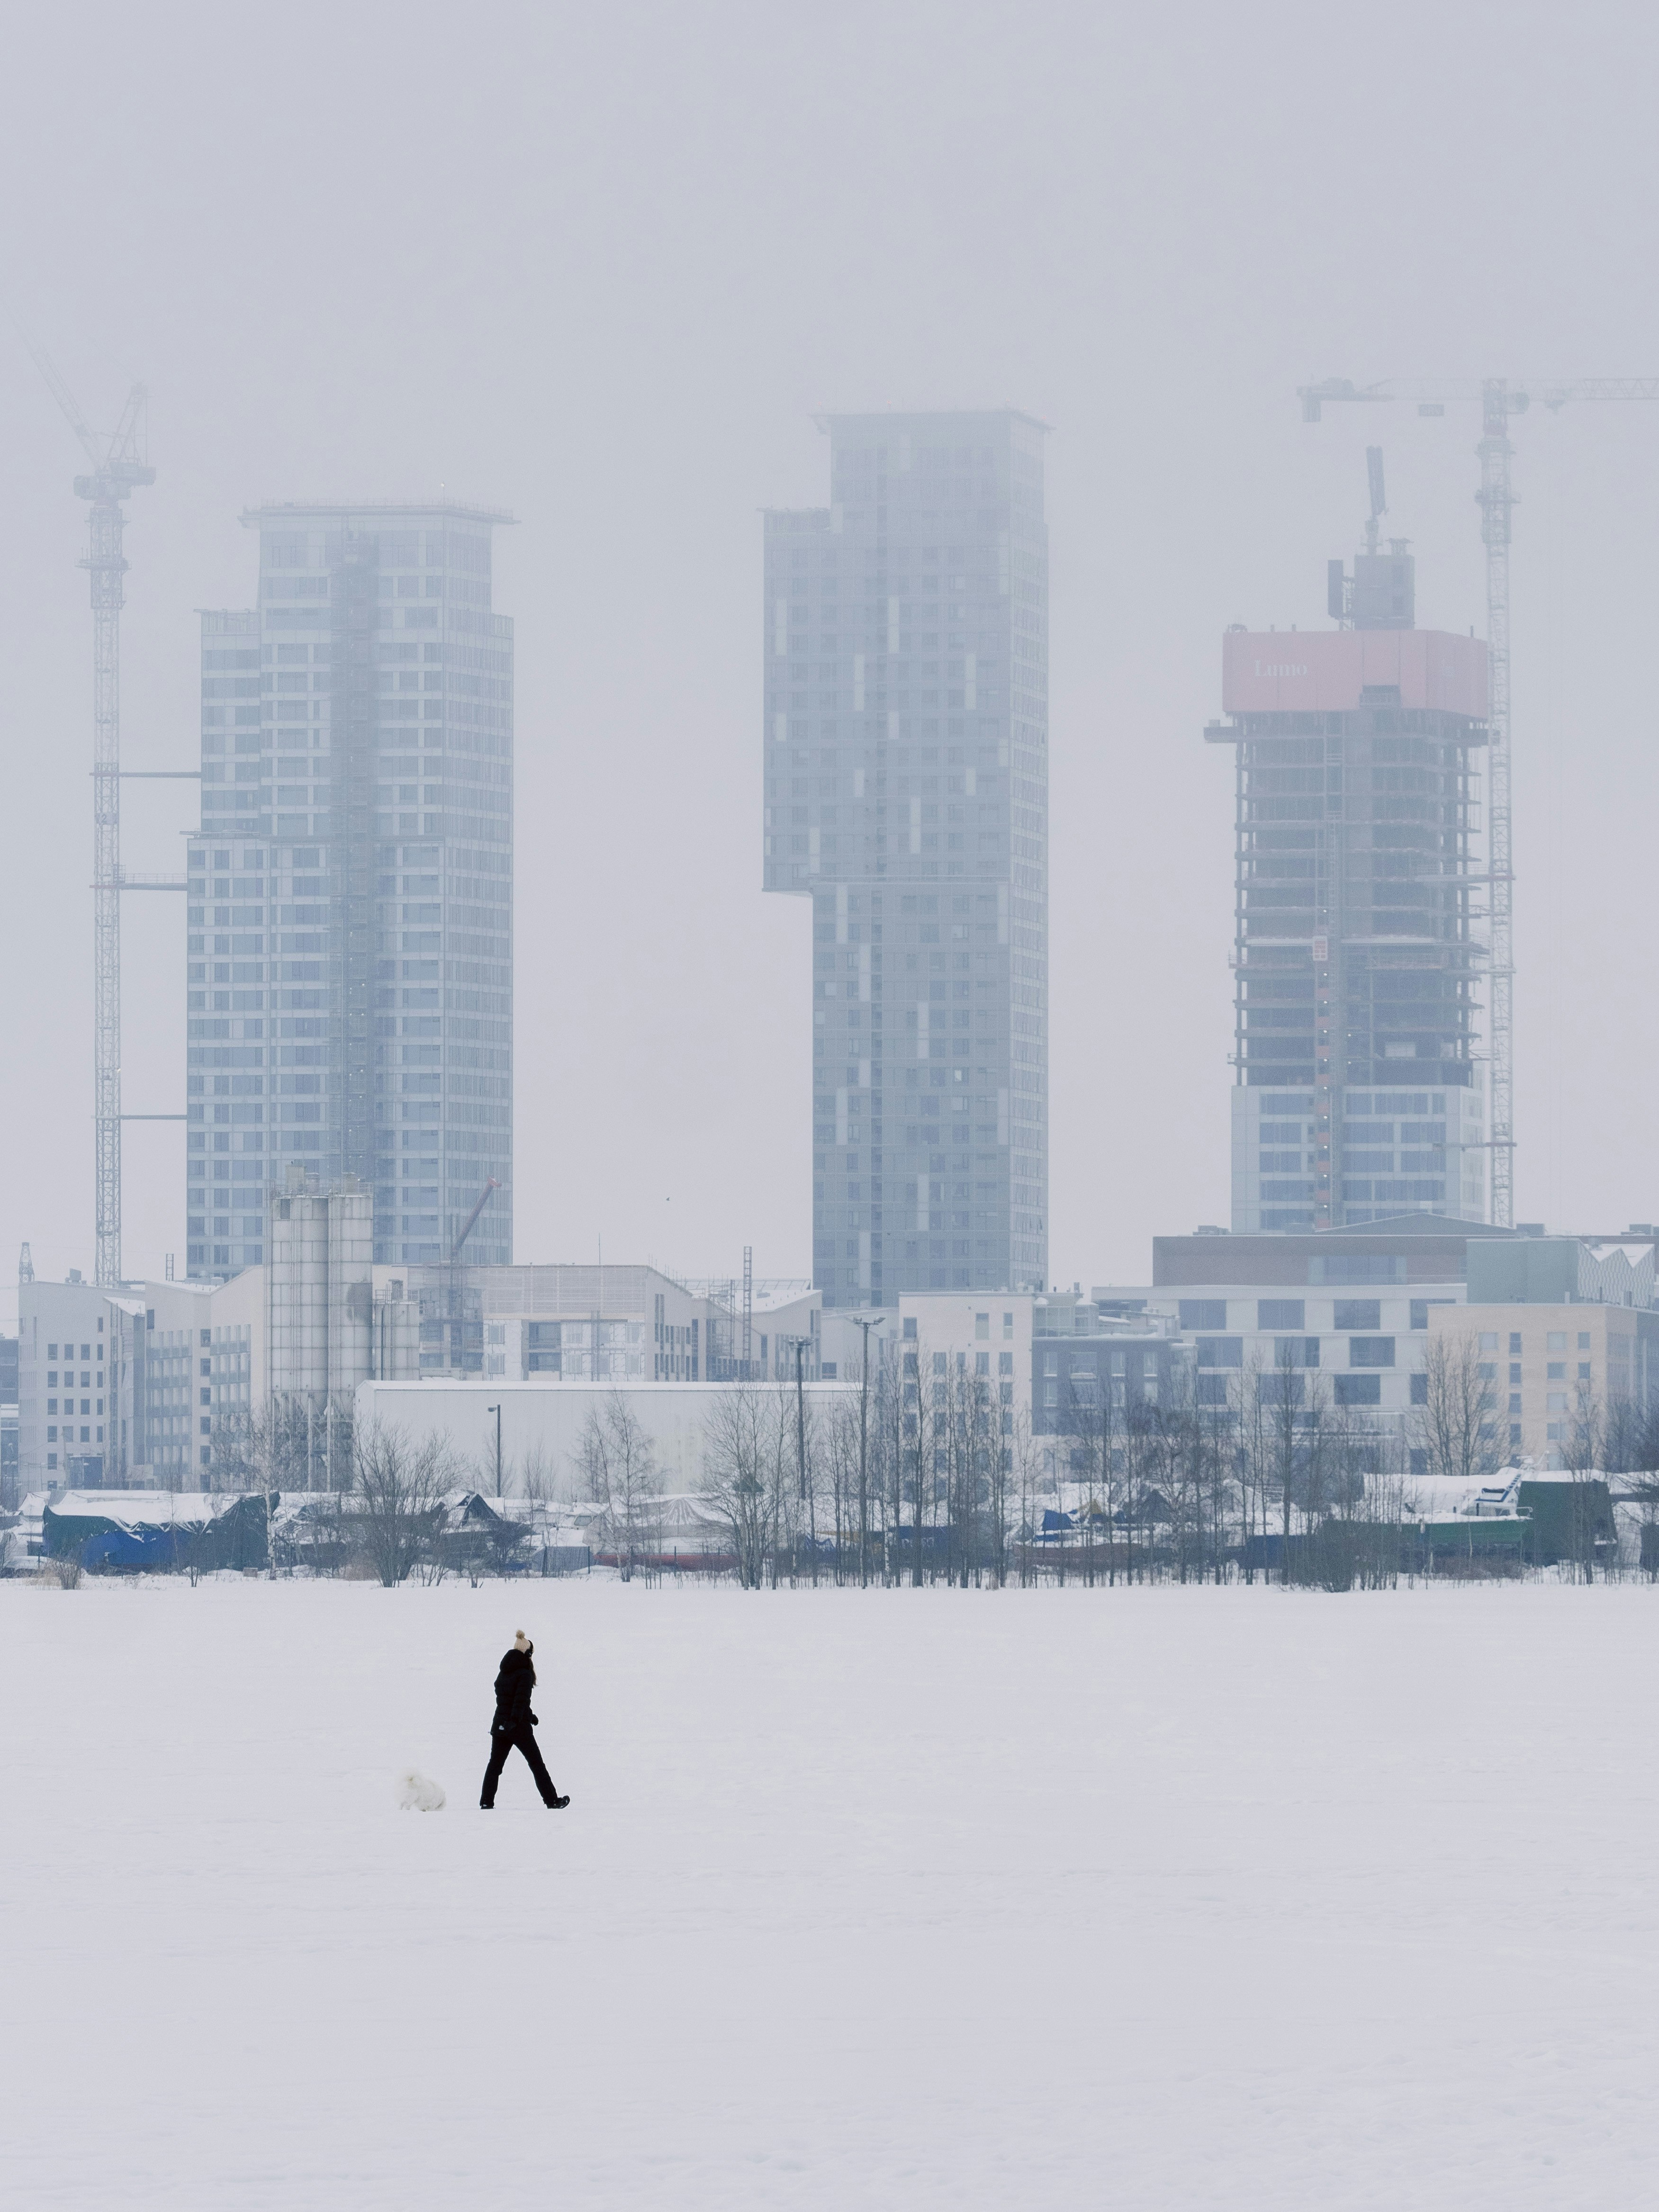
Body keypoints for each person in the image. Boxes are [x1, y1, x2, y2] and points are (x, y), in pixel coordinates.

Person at [480, 1630, 569, 1811]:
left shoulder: (504, 1671)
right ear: (528, 1654)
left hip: (500, 1725)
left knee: (495, 1766)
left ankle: (486, 1802)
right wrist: (517, 1720)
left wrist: (529, 1716)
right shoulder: (524, 1674)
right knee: (537, 1764)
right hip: (518, 1727)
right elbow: (520, 1701)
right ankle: (552, 1801)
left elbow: (511, 1700)